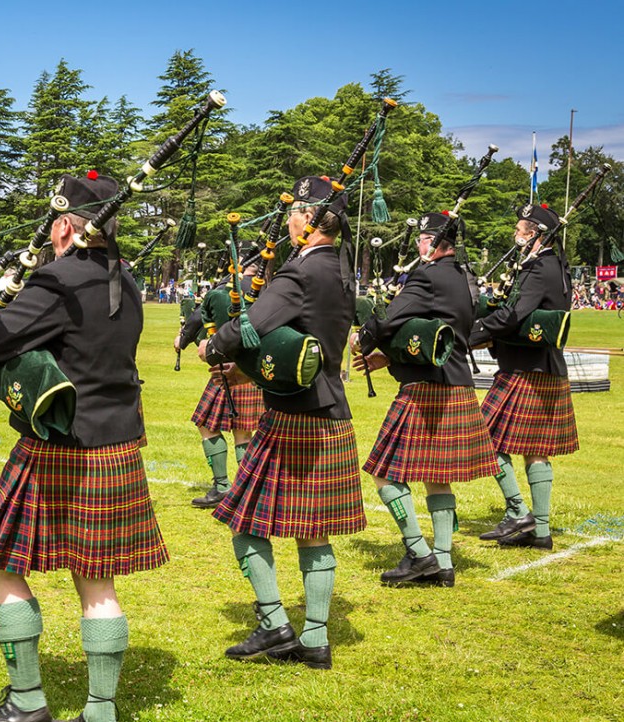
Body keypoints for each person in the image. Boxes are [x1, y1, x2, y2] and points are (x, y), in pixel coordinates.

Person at [0, 173, 166, 722]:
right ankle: (100, 711)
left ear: (68, 224)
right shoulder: (129, 281)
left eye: (54, 222)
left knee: (4, 566)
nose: (48, 232)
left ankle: (27, 702)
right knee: (97, 580)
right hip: (116, 443)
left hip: (58, 445)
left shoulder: (58, 281)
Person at [204, 176, 365, 671]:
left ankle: (275, 624)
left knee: (245, 524)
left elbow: (254, 323)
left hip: (293, 416)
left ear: (311, 221)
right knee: (315, 530)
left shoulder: (298, 275)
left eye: (296, 212)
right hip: (332, 411)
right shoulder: (342, 271)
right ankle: (314, 639)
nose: (290, 219)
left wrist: (216, 344)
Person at [352, 211, 498, 586]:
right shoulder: (465, 279)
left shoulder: (426, 274)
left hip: (427, 386)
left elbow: (389, 318)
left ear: (433, 243)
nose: (418, 245)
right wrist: (393, 354)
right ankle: (444, 563)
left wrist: (364, 340)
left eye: (422, 238)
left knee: (384, 475)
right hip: (458, 381)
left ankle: (419, 553)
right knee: (438, 477)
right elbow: (439, 328)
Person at [469, 203, 578, 550]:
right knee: (536, 449)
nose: (516, 233)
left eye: (520, 228)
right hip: (542, 367)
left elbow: (515, 315)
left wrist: (472, 332)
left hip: (526, 370)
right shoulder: (552, 265)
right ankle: (540, 531)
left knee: (485, 438)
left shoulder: (539, 268)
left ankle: (518, 511)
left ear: (534, 233)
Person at [177, 256, 265, 510]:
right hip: (252, 371)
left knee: (206, 425)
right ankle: (249, 491)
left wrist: (183, 339)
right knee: (243, 432)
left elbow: (198, 319)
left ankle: (223, 486)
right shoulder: (267, 292)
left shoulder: (221, 293)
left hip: (225, 370)